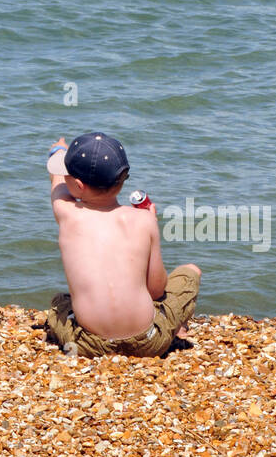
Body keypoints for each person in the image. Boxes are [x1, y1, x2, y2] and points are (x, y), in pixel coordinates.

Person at [45, 133, 201, 358]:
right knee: (191, 272)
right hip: (149, 342)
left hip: (87, 344)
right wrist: (151, 223)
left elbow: (57, 182)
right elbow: (156, 290)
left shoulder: (66, 213)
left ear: (78, 185)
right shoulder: (144, 220)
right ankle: (176, 327)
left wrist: (58, 151)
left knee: (59, 303)